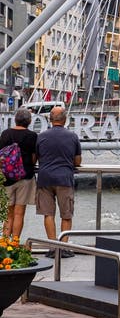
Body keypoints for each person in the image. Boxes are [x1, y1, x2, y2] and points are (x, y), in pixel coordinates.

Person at [35, 105, 81, 257]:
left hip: (45, 178)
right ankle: (63, 247)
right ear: (65, 119)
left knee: (48, 214)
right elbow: (77, 161)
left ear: (50, 119)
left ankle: (53, 247)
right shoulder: (72, 136)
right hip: (64, 178)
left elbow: (36, 157)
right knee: (66, 214)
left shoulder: (41, 136)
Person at [0, 106, 38, 239]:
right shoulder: (32, 136)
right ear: (29, 121)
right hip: (25, 177)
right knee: (19, 214)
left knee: (8, 214)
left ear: (15, 120)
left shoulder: (5, 134)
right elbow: (34, 158)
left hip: (7, 178)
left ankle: (5, 244)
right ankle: (15, 243)